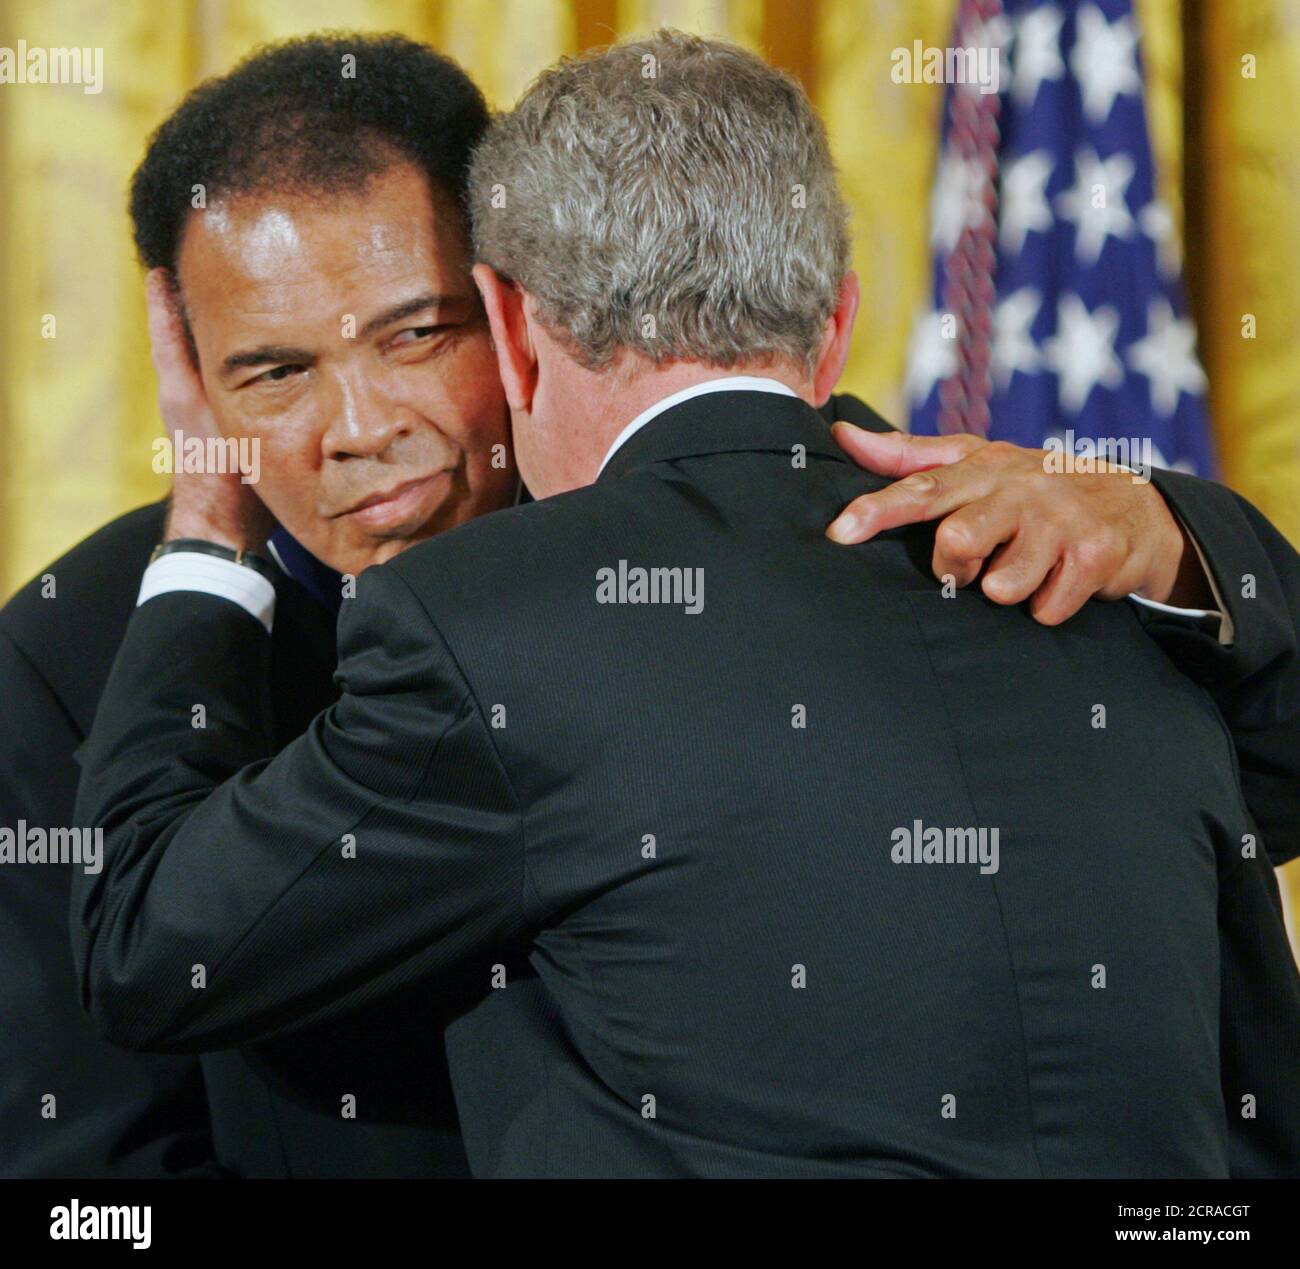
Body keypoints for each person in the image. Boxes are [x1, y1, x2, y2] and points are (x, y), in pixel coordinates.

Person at [69, 31, 1300, 1176]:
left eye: (416, 335)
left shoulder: (481, 625)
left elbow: (147, 943)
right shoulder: (1093, 565)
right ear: (836, 326)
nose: (362, 429)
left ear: (505, 323)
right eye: (278, 372)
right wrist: (1180, 544)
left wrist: (201, 526)